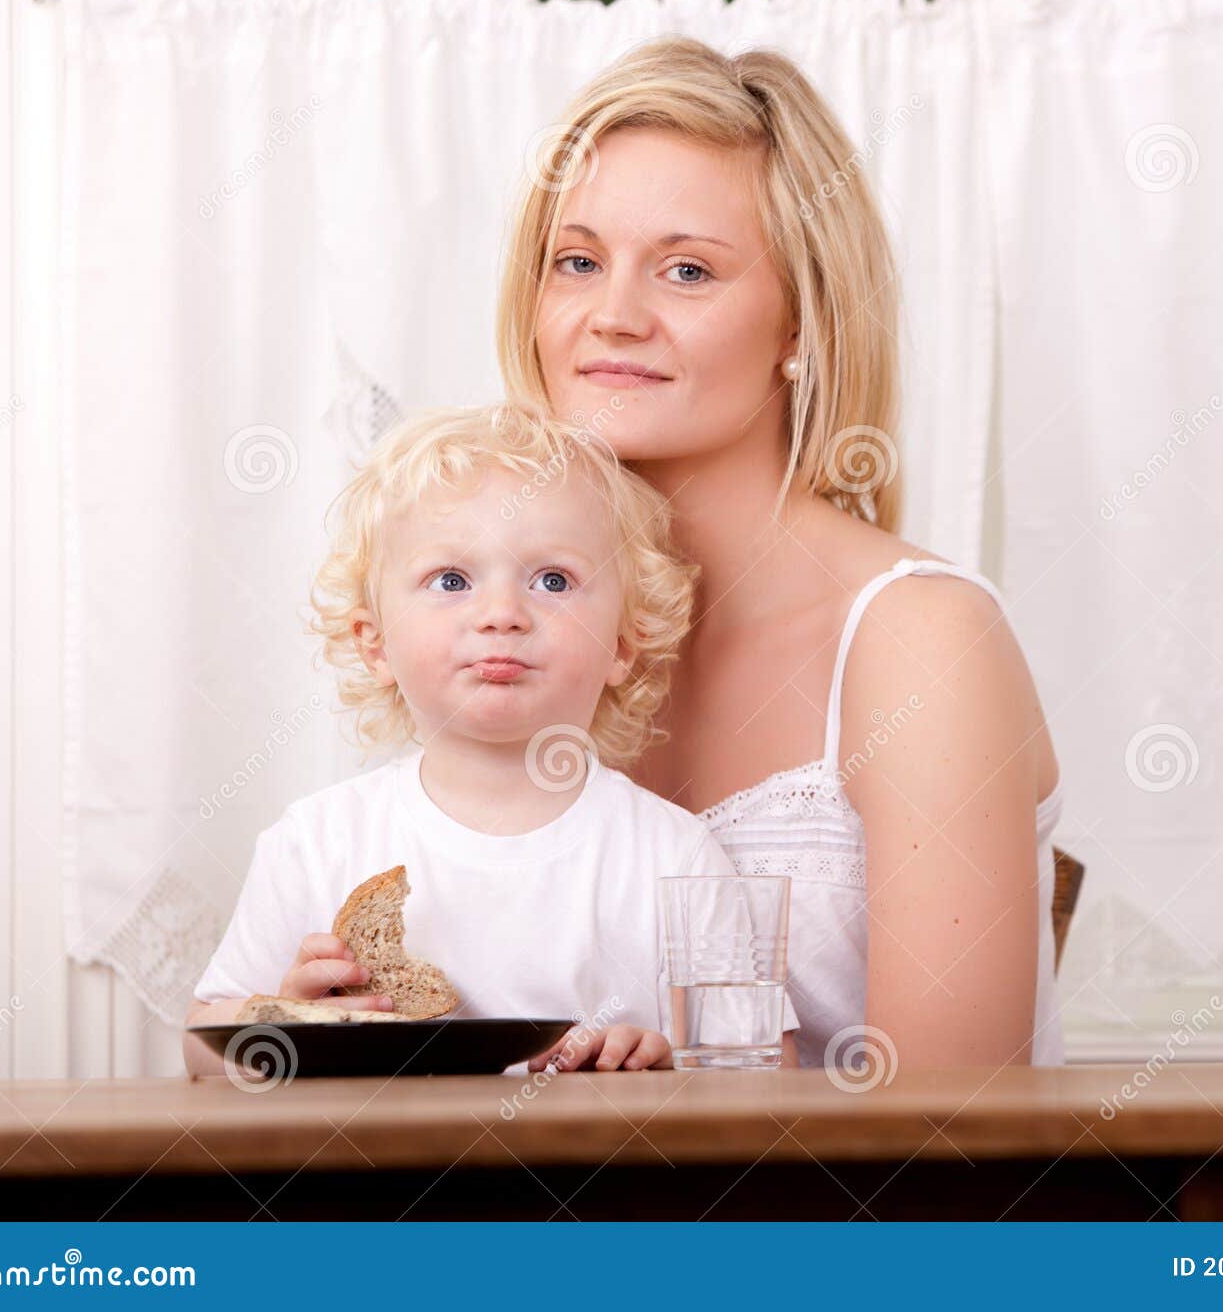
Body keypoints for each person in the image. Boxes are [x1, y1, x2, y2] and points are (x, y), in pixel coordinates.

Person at [495, 36, 1066, 1069]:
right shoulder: (512, 634)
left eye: (686, 270)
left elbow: (948, 1143)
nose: (611, 316)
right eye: (576, 261)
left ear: (799, 325)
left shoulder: (918, 638)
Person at [182, 401, 799, 1076]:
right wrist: (286, 1021)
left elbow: (765, 1070)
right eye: (451, 580)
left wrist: (668, 1063)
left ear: (625, 642)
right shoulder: (316, 841)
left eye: (553, 581)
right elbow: (200, 1041)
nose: (502, 614)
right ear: (375, 643)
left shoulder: (673, 855)